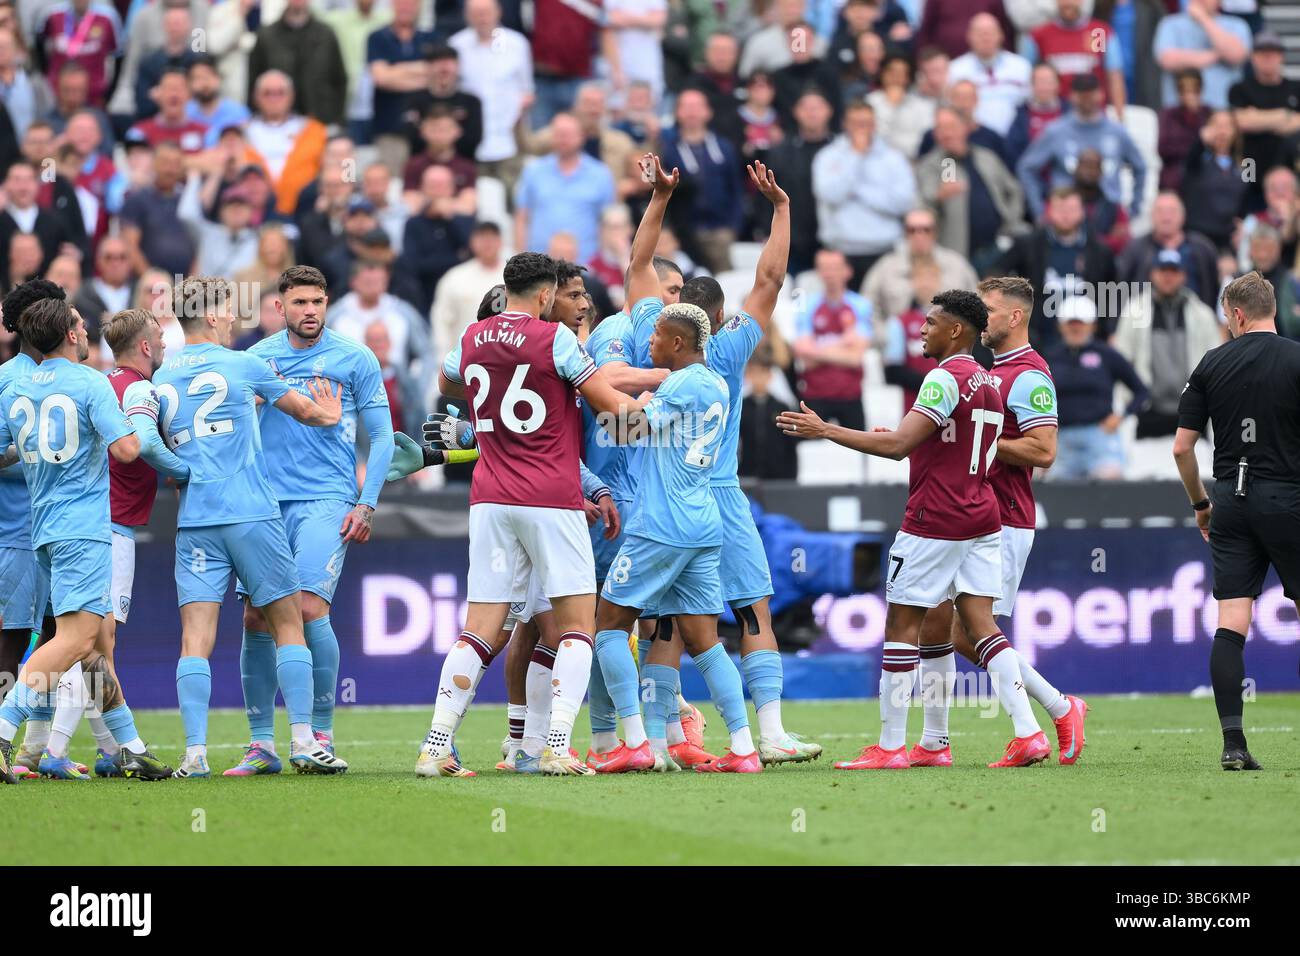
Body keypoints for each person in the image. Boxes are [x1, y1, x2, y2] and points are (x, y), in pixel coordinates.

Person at [777, 289, 1050, 769]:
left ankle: (889, 747)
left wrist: (828, 431)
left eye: (930, 323)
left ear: (956, 331)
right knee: (982, 626)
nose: (920, 330)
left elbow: (901, 446)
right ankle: (1023, 733)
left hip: (934, 519)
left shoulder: (943, 379)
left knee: (903, 622)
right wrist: (909, 442)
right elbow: (954, 442)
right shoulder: (987, 381)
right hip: (983, 516)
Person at [417, 251, 650, 777]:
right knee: (576, 628)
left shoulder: (473, 337)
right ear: (546, 295)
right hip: (551, 496)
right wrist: (661, 409)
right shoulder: (555, 340)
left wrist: (483, 398)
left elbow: (447, 381)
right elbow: (607, 406)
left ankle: (435, 747)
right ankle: (556, 748)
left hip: (491, 498)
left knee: (477, 632)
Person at [152, 275, 345, 778]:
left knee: (195, 639)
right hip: (253, 515)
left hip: (195, 518)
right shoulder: (245, 364)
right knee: (287, 624)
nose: (236, 317)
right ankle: (304, 739)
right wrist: (330, 414)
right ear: (212, 316)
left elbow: (155, 446)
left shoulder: (162, 376)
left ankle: (194, 754)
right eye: (229, 310)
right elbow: (304, 411)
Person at [913, 276, 1087, 768]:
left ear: (1014, 317)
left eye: (987, 310)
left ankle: (1054, 708)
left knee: (971, 630)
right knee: (935, 620)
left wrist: (980, 441)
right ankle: (934, 742)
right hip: (971, 516)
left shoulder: (1029, 375)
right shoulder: (992, 373)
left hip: (1006, 517)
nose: (978, 318)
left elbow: (1044, 451)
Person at [227, 266, 394, 777]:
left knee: (305, 607)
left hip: (327, 499)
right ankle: (261, 744)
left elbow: (383, 437)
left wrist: (366, 504)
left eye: (318, 301)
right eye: (299, 302)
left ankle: (319, 732)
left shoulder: (355, 357)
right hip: (265, 503)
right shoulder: (255, 360)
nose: (310, 311)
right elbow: (232, 432)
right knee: (256, 616)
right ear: (280, 307)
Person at [0, 298, 172, 784]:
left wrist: (35, 455)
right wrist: (138, 412)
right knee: (73, 640)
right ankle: (2, 732)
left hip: (43, 528)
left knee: (92, 646)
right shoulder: (92, 383)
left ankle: (129, 747)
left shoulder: (11, 386)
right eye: (81, 324)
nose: (86, 331)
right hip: (86, 529)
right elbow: (128, 449)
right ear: (73, 336)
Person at [40, 307, 189, 777]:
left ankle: (111, 749)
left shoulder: (103, 384)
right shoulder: (140, 388)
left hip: (78, 522)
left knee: (95, 647)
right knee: (90, 646)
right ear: (145, 347)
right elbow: (141, 444)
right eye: (160, 338)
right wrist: (186, 472)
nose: (164, 344)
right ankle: (52, 751)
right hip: (111, 529)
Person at [1173, 271, 1300, 771]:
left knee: (1231, 626)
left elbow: (1182, 447)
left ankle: (1234, 745)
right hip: (1288, 498)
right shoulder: (1296, 358)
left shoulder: (1210, 363)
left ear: (1238, 314)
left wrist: (1201, 505)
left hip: (1230, 501)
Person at [1043, 293, 1148, 481]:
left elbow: (1141, 390)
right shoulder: (1050, 357)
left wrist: (1121, 416)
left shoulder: (1106, 354)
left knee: (1110, 476)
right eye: (1070, 323)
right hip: (1061, 438)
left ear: (1092, 325)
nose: (1076, 328)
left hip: (1099, 435)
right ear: (1061, 326)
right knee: (1052, 483)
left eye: (1081, 323)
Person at [812, 98, 915, 288]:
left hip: (884, 251)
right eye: (856, 123)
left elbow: (903, 202)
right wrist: (856, 157)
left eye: (866, 123)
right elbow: (830, 195)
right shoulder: (827, 156)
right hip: (840, 252)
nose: (861, 129)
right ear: (845, 124)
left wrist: (858, 191)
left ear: (875, 125)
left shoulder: (893, 158)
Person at [1016, 73, 1147, 223]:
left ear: (1101, 94)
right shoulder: (1057, 131)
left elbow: (1141, 167)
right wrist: (1039, 211)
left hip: (1108, 215)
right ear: (1072, 96)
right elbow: (1026, 167)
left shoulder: (1116, 132)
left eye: (1091, 94)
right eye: (1082, 94)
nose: (1087, 99)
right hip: (1065, 215)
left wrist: (1134, 209)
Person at [793, 248, 872, 431]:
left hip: (850, 394)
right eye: (824, 268)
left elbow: (855, 358)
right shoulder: (807, 305)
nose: (829, 274)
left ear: (847, 271)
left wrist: (818, 349)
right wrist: (843, 343)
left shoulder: (860, 305)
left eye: (834, 268)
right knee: (811, 454)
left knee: (857, 452)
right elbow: (803, 355)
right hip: (814, 393)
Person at [246, 0, 348, 127]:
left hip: (320, 120)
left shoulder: (326, 34)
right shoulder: (266, 36)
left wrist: (337, 120)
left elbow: (339, 80)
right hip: (276, 125)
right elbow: (254, 83)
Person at [1153, 0, 1251, 111]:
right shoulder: (1170, 23)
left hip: (1223, 112)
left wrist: (1204, 19)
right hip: (1179, 113)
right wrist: (1216, 54)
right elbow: (1167, 60)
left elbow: (1236, 55)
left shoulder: (1237, 24)